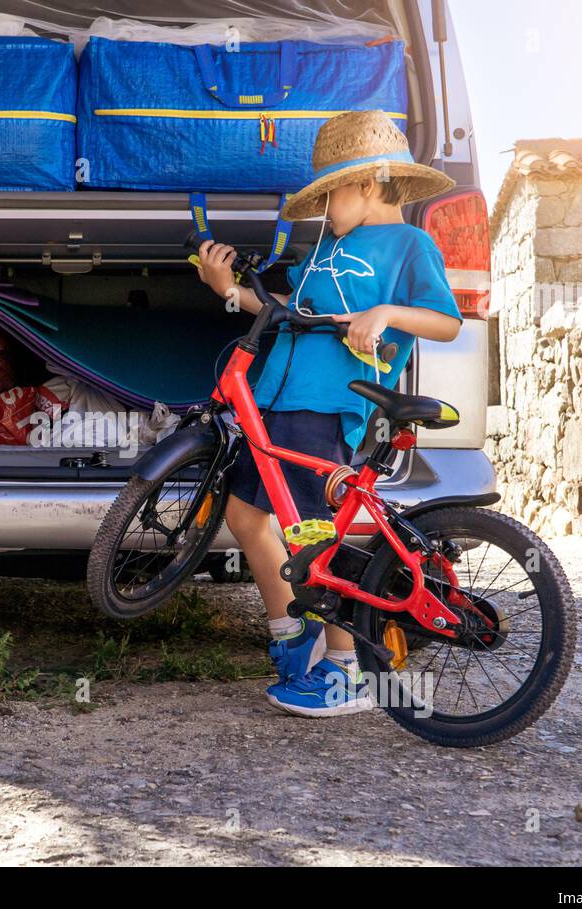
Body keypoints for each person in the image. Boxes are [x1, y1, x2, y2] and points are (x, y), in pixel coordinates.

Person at [194, 110, 464, 717]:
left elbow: (446, 321)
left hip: (332, 404)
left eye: (330, 195)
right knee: (244, 516)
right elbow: (292, 308)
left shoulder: (408, 245)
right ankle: (292, 632)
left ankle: (346, 671)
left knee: (316, 536)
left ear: (367, 185)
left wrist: (387, 314)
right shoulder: (329, 248)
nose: (322, 211)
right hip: (277, 401)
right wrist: (229, 292)